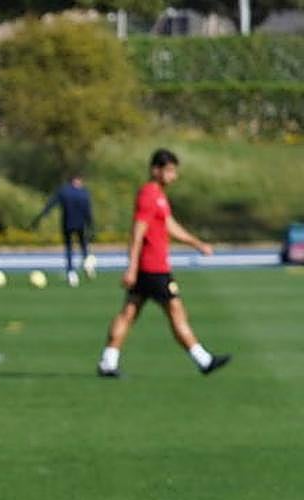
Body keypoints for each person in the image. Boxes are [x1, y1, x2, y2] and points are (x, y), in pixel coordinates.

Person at [98, 148, 230, 379]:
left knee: (129, 312)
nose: (173, 176)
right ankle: (204, 360)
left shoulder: (158, 195)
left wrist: (196, 243)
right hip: (153, 268)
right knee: (176, 312)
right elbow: (137, 232)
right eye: (169, 171)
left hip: (147, 268)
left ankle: (108, 362)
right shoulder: (149, 195)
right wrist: (131, 267)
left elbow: (169, 225)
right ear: (155, 170)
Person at [32, 173, 95, 287]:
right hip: (81, 224)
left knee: (69, 248)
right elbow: (88, 211)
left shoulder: (63, 191)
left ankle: (71, 273)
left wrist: (40, 217)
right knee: (83, 244)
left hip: (68, 224)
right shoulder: (84, 193)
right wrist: (91, 226)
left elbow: (51, 204)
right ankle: (86, 263)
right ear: (78, 180)